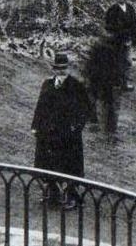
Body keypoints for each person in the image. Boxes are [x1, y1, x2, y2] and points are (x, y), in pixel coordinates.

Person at [31, 53, 94, 210]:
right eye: (56, 68)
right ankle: (53, 193)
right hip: (47, 132)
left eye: (63, 68)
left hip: (67, 133)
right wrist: (35, 125)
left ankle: (72, 196)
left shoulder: (76, 86)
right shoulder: (47, 84)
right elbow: (40, 106)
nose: (59, 71)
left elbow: (86, 109)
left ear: (68, 68)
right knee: (47, 162)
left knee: (70, 164)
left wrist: (76, 127)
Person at [84, 36, 125, 144]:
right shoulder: (101, 47)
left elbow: (120, 66)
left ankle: (107, 129)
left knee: (108, 104)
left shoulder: (118, 48)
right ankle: (95, 122)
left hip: (107, 81)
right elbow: (90, 65)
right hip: (98, 79)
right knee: (97, 100)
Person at [104, 0, 136, 91]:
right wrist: (119, 32)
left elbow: (134, 24)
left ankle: (124, 83)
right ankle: (116, 83)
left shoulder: (130, 8)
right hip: (116, 40)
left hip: (128, 39)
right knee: (117, 61)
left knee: (127, 62)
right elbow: (108, 26)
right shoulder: (112, 10)